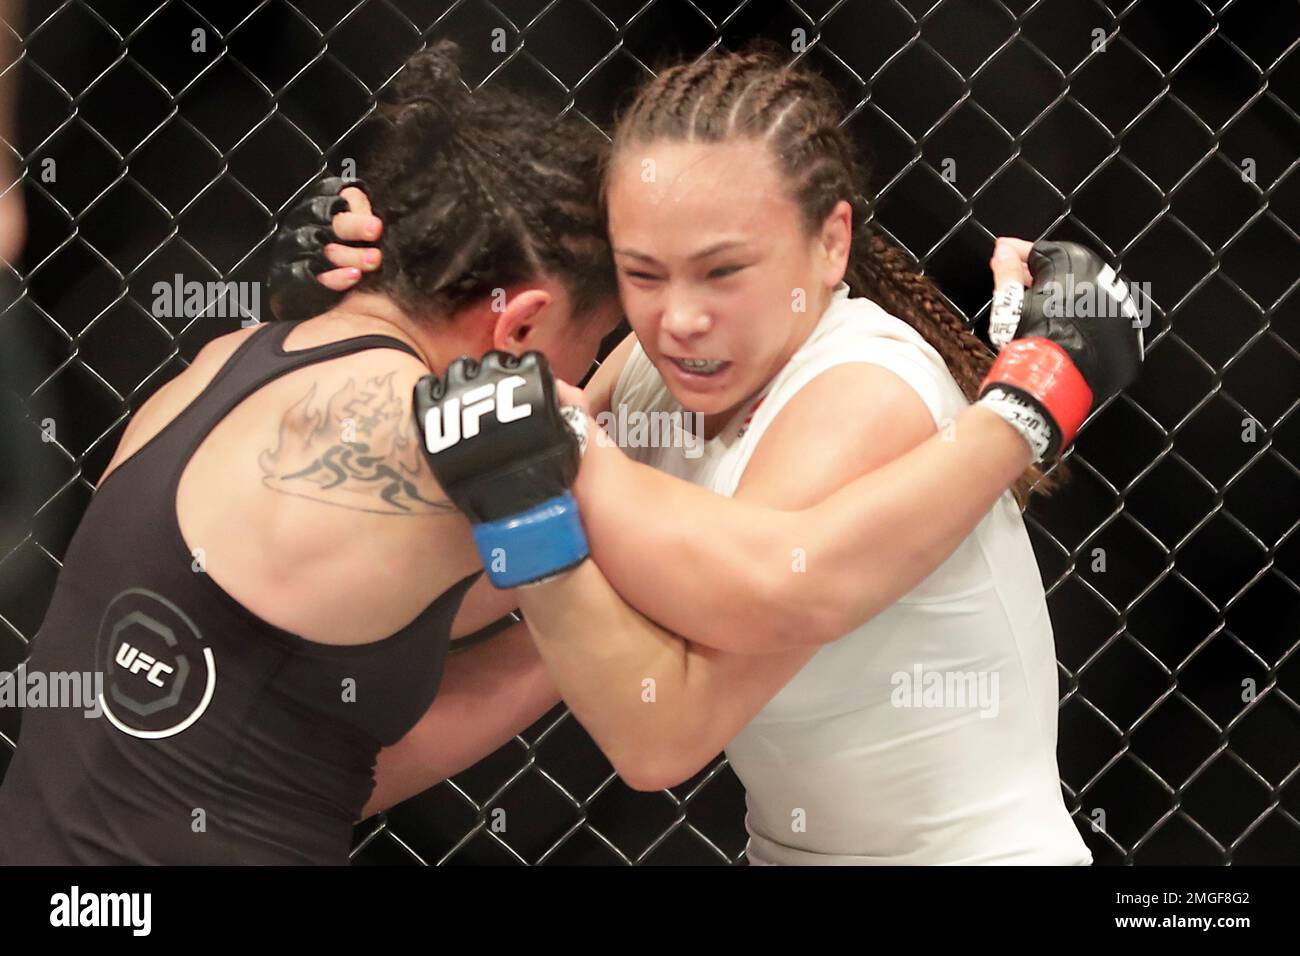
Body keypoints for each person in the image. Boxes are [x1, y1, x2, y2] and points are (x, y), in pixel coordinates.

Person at [282, 46, 1143, 863]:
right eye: (644, 276)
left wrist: (538, 464)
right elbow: (461, 581)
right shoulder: (658, 373)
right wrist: (365, 325)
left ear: (831, 242)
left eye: (723, 272)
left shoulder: (863, 392)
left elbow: (664, 730)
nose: (679, 320)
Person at [0, 42, 622, 864]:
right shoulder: (433, 436)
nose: (578, 376)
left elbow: (316, 766)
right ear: (520, 328)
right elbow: (679, 682)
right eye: (594, 343)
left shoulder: (233, 358)